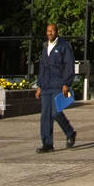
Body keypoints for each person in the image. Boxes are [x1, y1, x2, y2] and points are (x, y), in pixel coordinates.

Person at [35, 22, 76, 152]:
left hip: (58, 85)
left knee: (56, 113)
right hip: (46, 86)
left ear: (57, 32)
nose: (50, 33)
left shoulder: (64, 46)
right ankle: (47, 144)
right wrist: (39, 86)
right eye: (48, 31)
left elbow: (69, 66)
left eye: (52, 31)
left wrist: (66, 83)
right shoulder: (45, 47)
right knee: (45, 115)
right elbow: (42, 67)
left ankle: (70, 132)